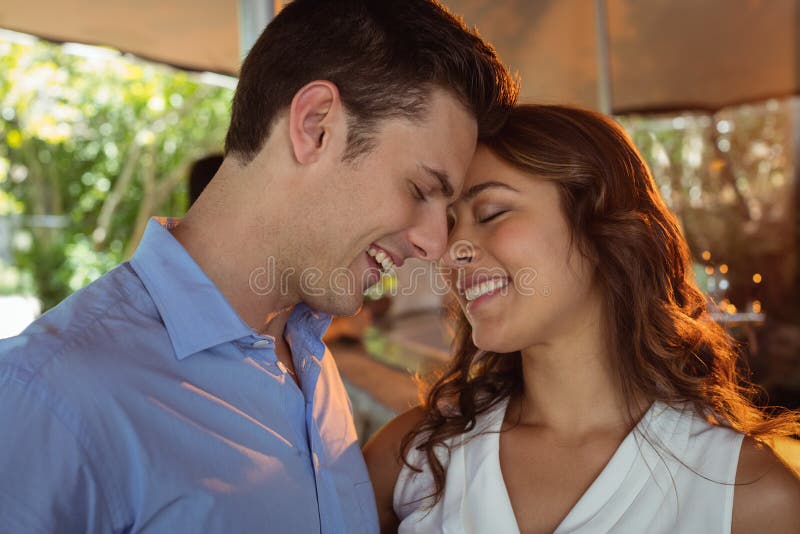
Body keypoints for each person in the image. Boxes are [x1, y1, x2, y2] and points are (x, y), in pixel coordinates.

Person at [0, 0, 517, 531]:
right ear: (315, 125)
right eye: (420, 189)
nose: (435, 243)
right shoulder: (45, 397)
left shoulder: (307, 358)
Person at [364, 105, 800, 533]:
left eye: (491, 213)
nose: (451, 251)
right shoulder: (413, 458)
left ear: (601, 229)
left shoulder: (747, 495)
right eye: (450, 223)